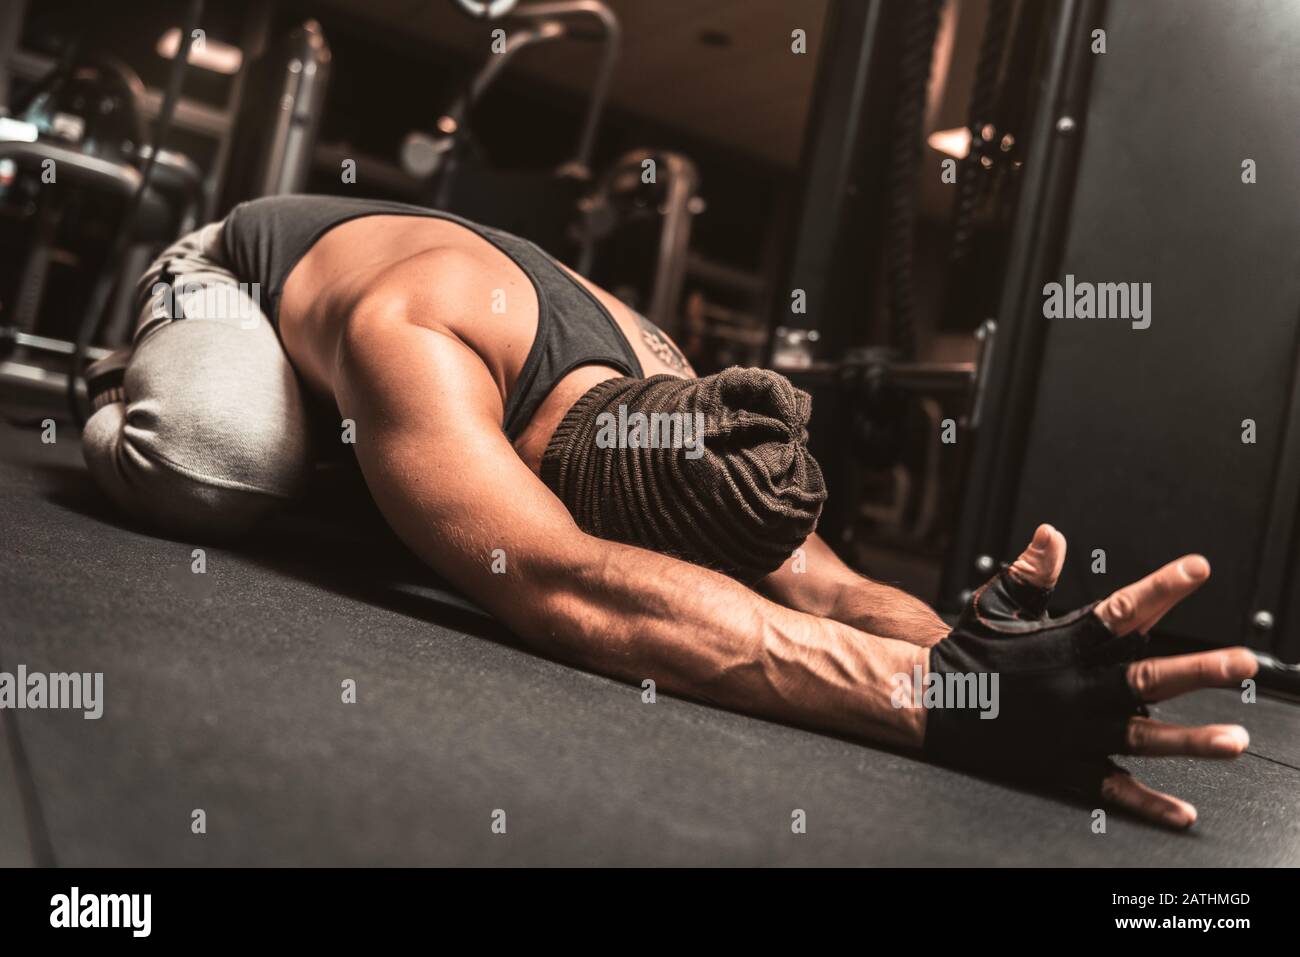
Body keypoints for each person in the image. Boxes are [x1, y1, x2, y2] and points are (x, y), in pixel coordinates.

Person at [82, 195, 1257, 829]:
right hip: (242, 265)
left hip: (447, 381)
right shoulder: (421, 332)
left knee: (402, 504)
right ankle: (123, 373)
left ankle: (389, 480)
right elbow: (570, 582)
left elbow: (834, 588)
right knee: (218, 458)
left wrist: (986, 664)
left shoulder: (679, 404)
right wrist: (940, 713)